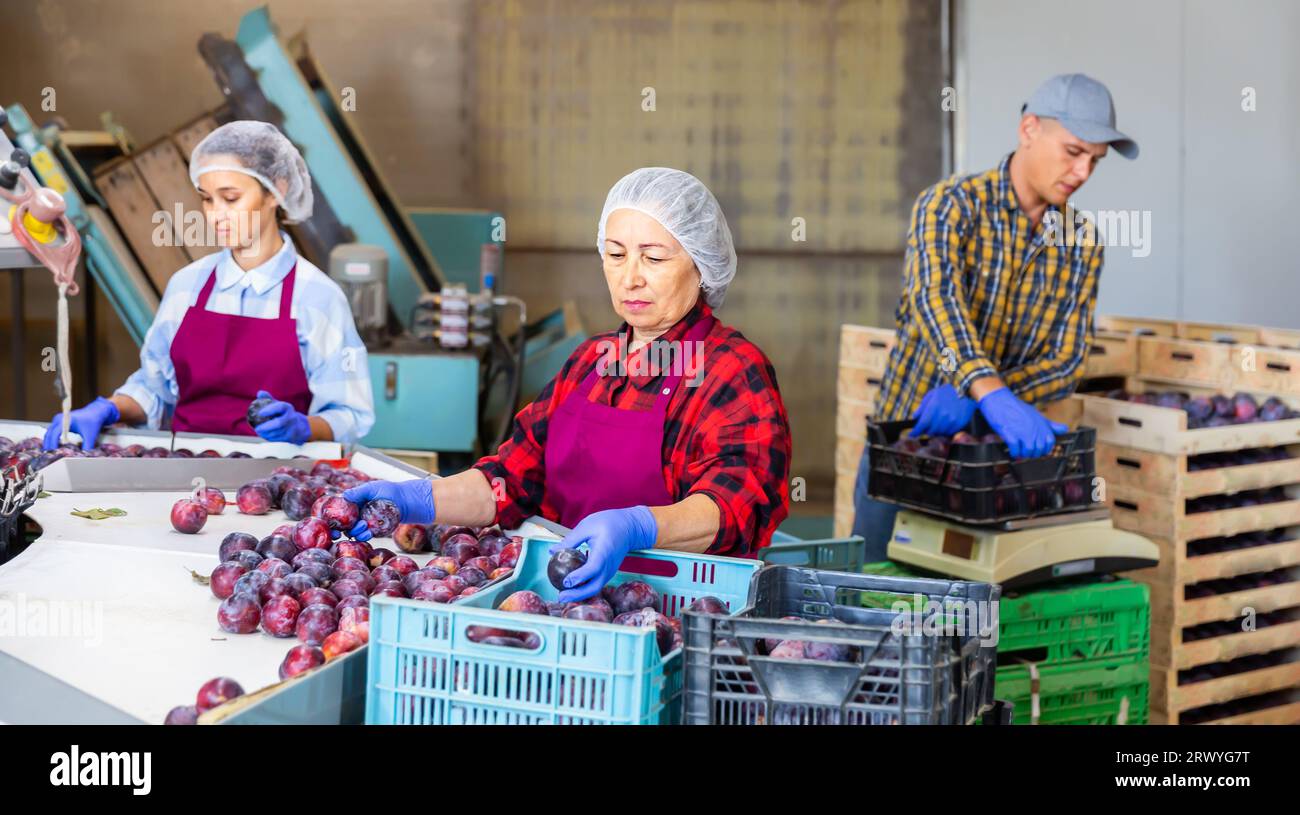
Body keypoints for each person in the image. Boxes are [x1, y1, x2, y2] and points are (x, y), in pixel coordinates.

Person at [344, 167, 792, 602]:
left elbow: (739, 506)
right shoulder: (590, 363)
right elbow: (511, 480)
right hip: (564, 597)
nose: (630, 276)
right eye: (616, 255)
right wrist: (420, 497)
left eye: (653, 258)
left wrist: (638, 527)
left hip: (669, 611)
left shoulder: (732, 370)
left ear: (701, 264)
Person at [853, 73, 1139, 558]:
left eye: (1095, 159)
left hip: (1000, 467)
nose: (1084, 171)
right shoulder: (948, 206)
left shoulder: (1082, 242)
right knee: (873, 589)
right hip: (908, 449)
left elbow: (1064, 360)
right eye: (1073, 151)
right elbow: (935, 302)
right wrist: (989, 392)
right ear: (1029, 129)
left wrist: (984, 400)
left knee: (976, 611)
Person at [42, 121, 374, 449]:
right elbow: (154, 388)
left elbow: (349, 414)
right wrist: (110, 407)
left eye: (230, 198)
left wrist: (303, 427)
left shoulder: (317, 296)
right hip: (184, 477)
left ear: (278, 191)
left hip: (277, 485)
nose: (216, 215)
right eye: (207, 199)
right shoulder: (187, 286)